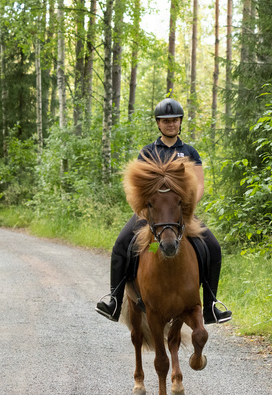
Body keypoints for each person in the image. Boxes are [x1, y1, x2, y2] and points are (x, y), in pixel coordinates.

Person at [95, 97, 232, 325]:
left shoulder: (189, 152)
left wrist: (188, 209)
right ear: (158, 124)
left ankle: (210, 306)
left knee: (213, 248)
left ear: (180, 123)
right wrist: (144, 211)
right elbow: (137, 188)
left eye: (175, 120)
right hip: (151, 216)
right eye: (166, 121)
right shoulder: (148, 152)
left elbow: (198, 186)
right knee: (122, 245)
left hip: (181, 214)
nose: (171, 124)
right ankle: (115, 301)